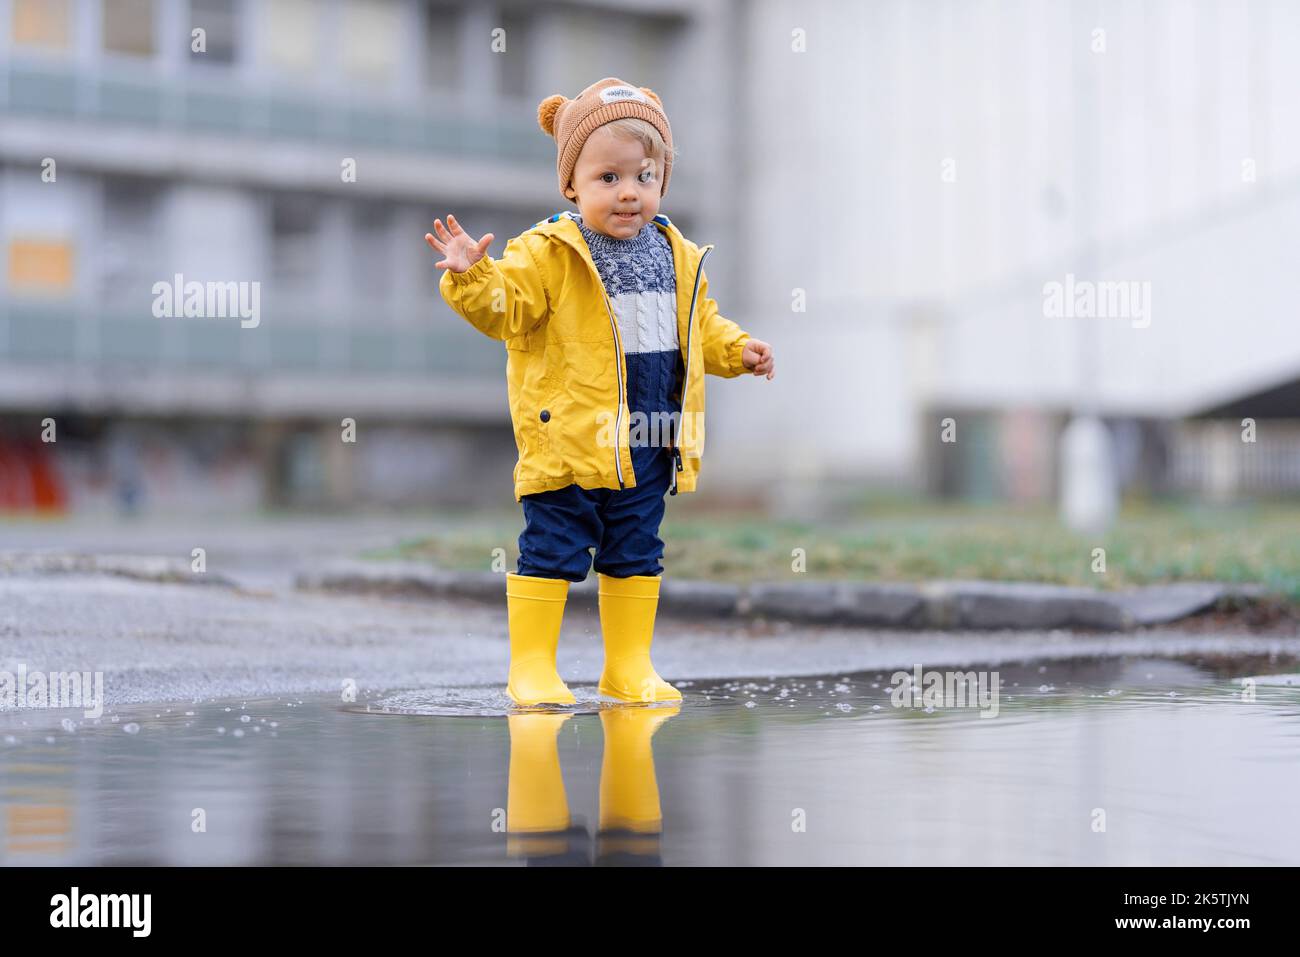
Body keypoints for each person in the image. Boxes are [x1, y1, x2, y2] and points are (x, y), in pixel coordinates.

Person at [430, 77, 775, 707]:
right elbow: (506, 308)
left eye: (643, 176)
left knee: (637, 551)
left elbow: (700, 326)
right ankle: (532, 668)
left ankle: (629, 667)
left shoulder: (678, 254)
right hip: (568, 443)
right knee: (553, 549)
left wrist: (737, 350)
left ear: (663, 181)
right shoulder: (549, 253)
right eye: (607, 178)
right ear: (572, 185)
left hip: (649, 442)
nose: (628, 193)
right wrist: (473, 276)